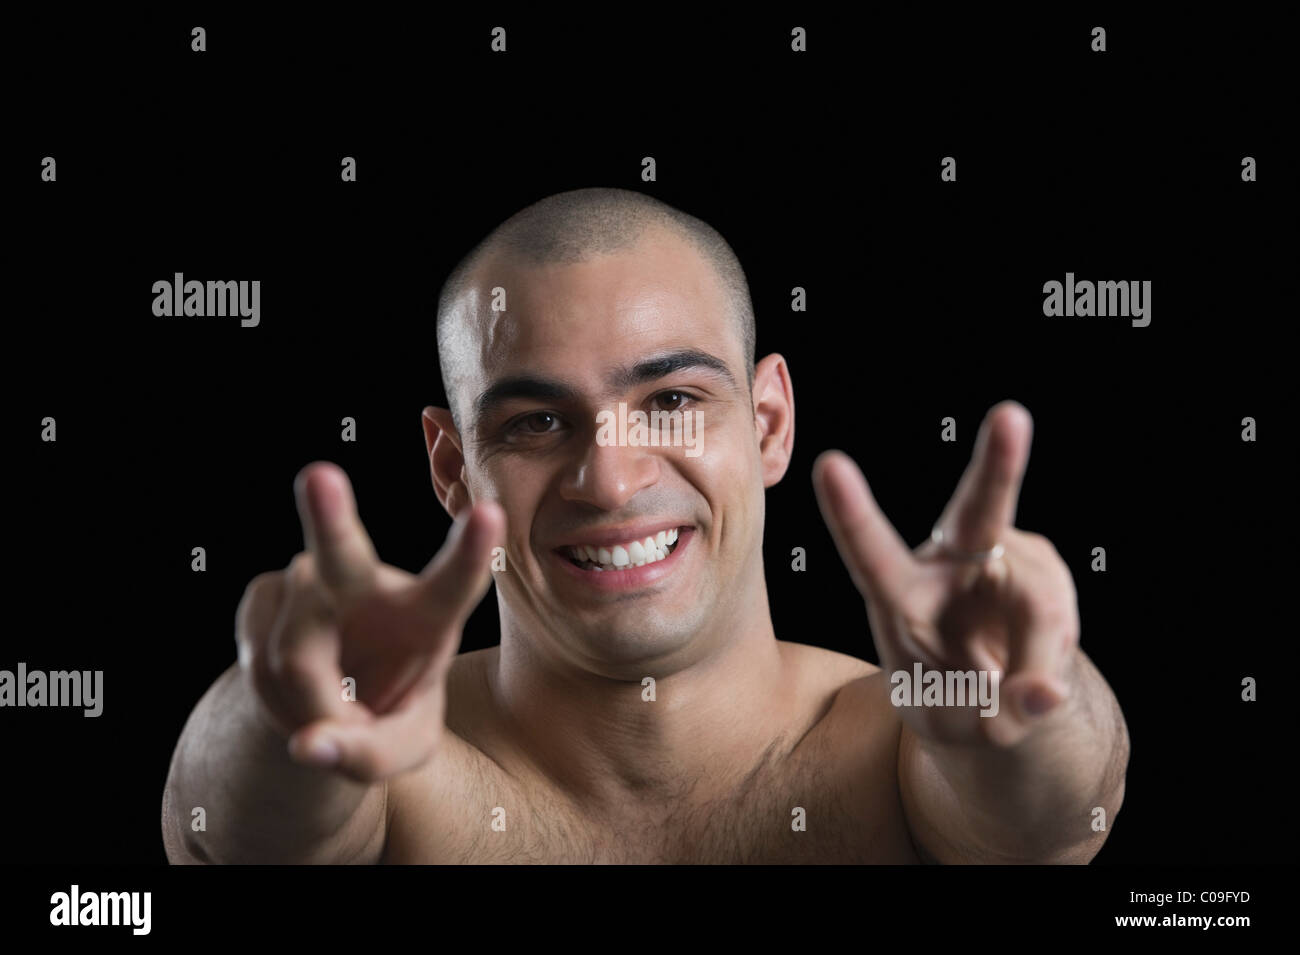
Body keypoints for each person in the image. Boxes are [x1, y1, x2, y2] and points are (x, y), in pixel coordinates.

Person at [162, 187, 1129, 863]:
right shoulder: (397, 768)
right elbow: (233, 831)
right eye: (536, 421)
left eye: (670, 399)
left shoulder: (900, 746)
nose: (611, 481)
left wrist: (1022, 705)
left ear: (769, 424)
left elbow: (1051, 818)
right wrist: (287, 710)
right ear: (453, 469)